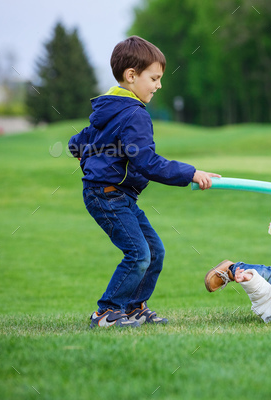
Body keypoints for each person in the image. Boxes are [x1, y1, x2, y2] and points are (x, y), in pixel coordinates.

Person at [69, 36, 220, 328]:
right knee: (138, 254)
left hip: (117, 195)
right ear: (131, 76)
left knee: (154, 252)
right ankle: (107, 312)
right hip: (108, 195)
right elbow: (147, 162)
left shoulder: (109, 108)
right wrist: (190, 173)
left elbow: (76, 143)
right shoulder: (132, 113)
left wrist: (92, 161)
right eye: (154, 78)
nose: (159, 85)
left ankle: (134, 308)